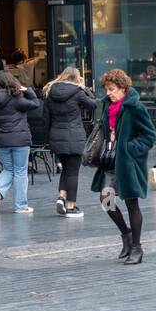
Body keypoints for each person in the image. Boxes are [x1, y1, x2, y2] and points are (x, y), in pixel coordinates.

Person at [92, 69, 154, 265]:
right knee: (106, 199)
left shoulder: (135, 108)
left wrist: (128, 148)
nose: (109, 93)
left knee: (131, 204)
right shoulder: (107, 107)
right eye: (107, 89)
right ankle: (125, 234)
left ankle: (137, 247)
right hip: (110, 162)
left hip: (128, 163)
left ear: (123, 88)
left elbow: (149, 136)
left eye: (112, 89)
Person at [0, 70, 39, 214]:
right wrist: (28, 90)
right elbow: (35, 103)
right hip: (20, 140)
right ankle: (21, 206)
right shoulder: (17, 99)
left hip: (1, 139)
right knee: (20, 171)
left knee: (8, 169)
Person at [44, 67, 95, 218]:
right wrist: (84, 87)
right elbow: (93, 104)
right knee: (73, 172)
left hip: (56, 136)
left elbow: (45, 118)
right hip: (74, 137)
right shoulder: (78, 92)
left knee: (66, 169)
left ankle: (61, 197)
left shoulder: (50, 91)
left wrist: (47, 139)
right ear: (76, 78)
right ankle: (71, 207)